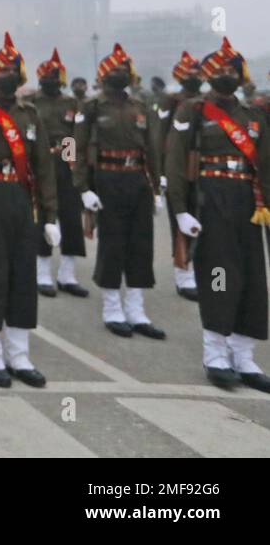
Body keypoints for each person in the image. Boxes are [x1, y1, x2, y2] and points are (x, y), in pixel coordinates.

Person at [164, 38, 269, 391]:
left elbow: (265, 166)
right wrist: (179, 210)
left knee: (253, 279)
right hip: (212, 200)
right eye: (220, 71)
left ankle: (244, 355)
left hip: (248, 204)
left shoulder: (254, 115)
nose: (227, 76)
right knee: (220, 276)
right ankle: (216, 354)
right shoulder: (192, 111)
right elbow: (176, 161)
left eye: (232, 71)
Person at [0, 33, 58, 388]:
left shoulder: (30, 114)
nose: (8, 73)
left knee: (23, 276)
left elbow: (44, 168)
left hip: (20, 200)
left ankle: (19, 354)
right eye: (1, 68)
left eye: (12, 68)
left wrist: (50, 215)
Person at [74, 43, 166, 339]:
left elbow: (152, 148)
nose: (119, 74)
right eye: (113, 70)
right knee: (112, 245)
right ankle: (113, 309)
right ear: (102, 75)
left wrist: (157, 185)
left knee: (141, 245)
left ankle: (137, 310)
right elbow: (72, 147)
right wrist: (82, 187)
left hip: (137, 180)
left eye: (124, 70)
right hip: (107, 181)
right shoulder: (91, 107)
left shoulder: (141, 107)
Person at [31, 48, 88, 296]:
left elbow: (76, 136)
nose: (51, 80)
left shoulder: (71, 103)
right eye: (47, 76)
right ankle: (42, 273)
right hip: (42, 163)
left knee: (71, 217)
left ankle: (67, 275)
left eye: (55, 76)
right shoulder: (32, 103)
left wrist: (71, 163)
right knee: (44, 216)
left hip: (66, 162)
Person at [156, 52, 205, 301]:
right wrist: (162, 173)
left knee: (203, 222)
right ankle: (183, 276)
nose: (194, 78)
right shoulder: (171, 102)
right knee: (181, 220)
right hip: (177, 167)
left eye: (197, 73)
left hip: (202, 168)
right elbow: (160, 136)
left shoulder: (207, 102)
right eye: (189, 74)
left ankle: (210, 277)